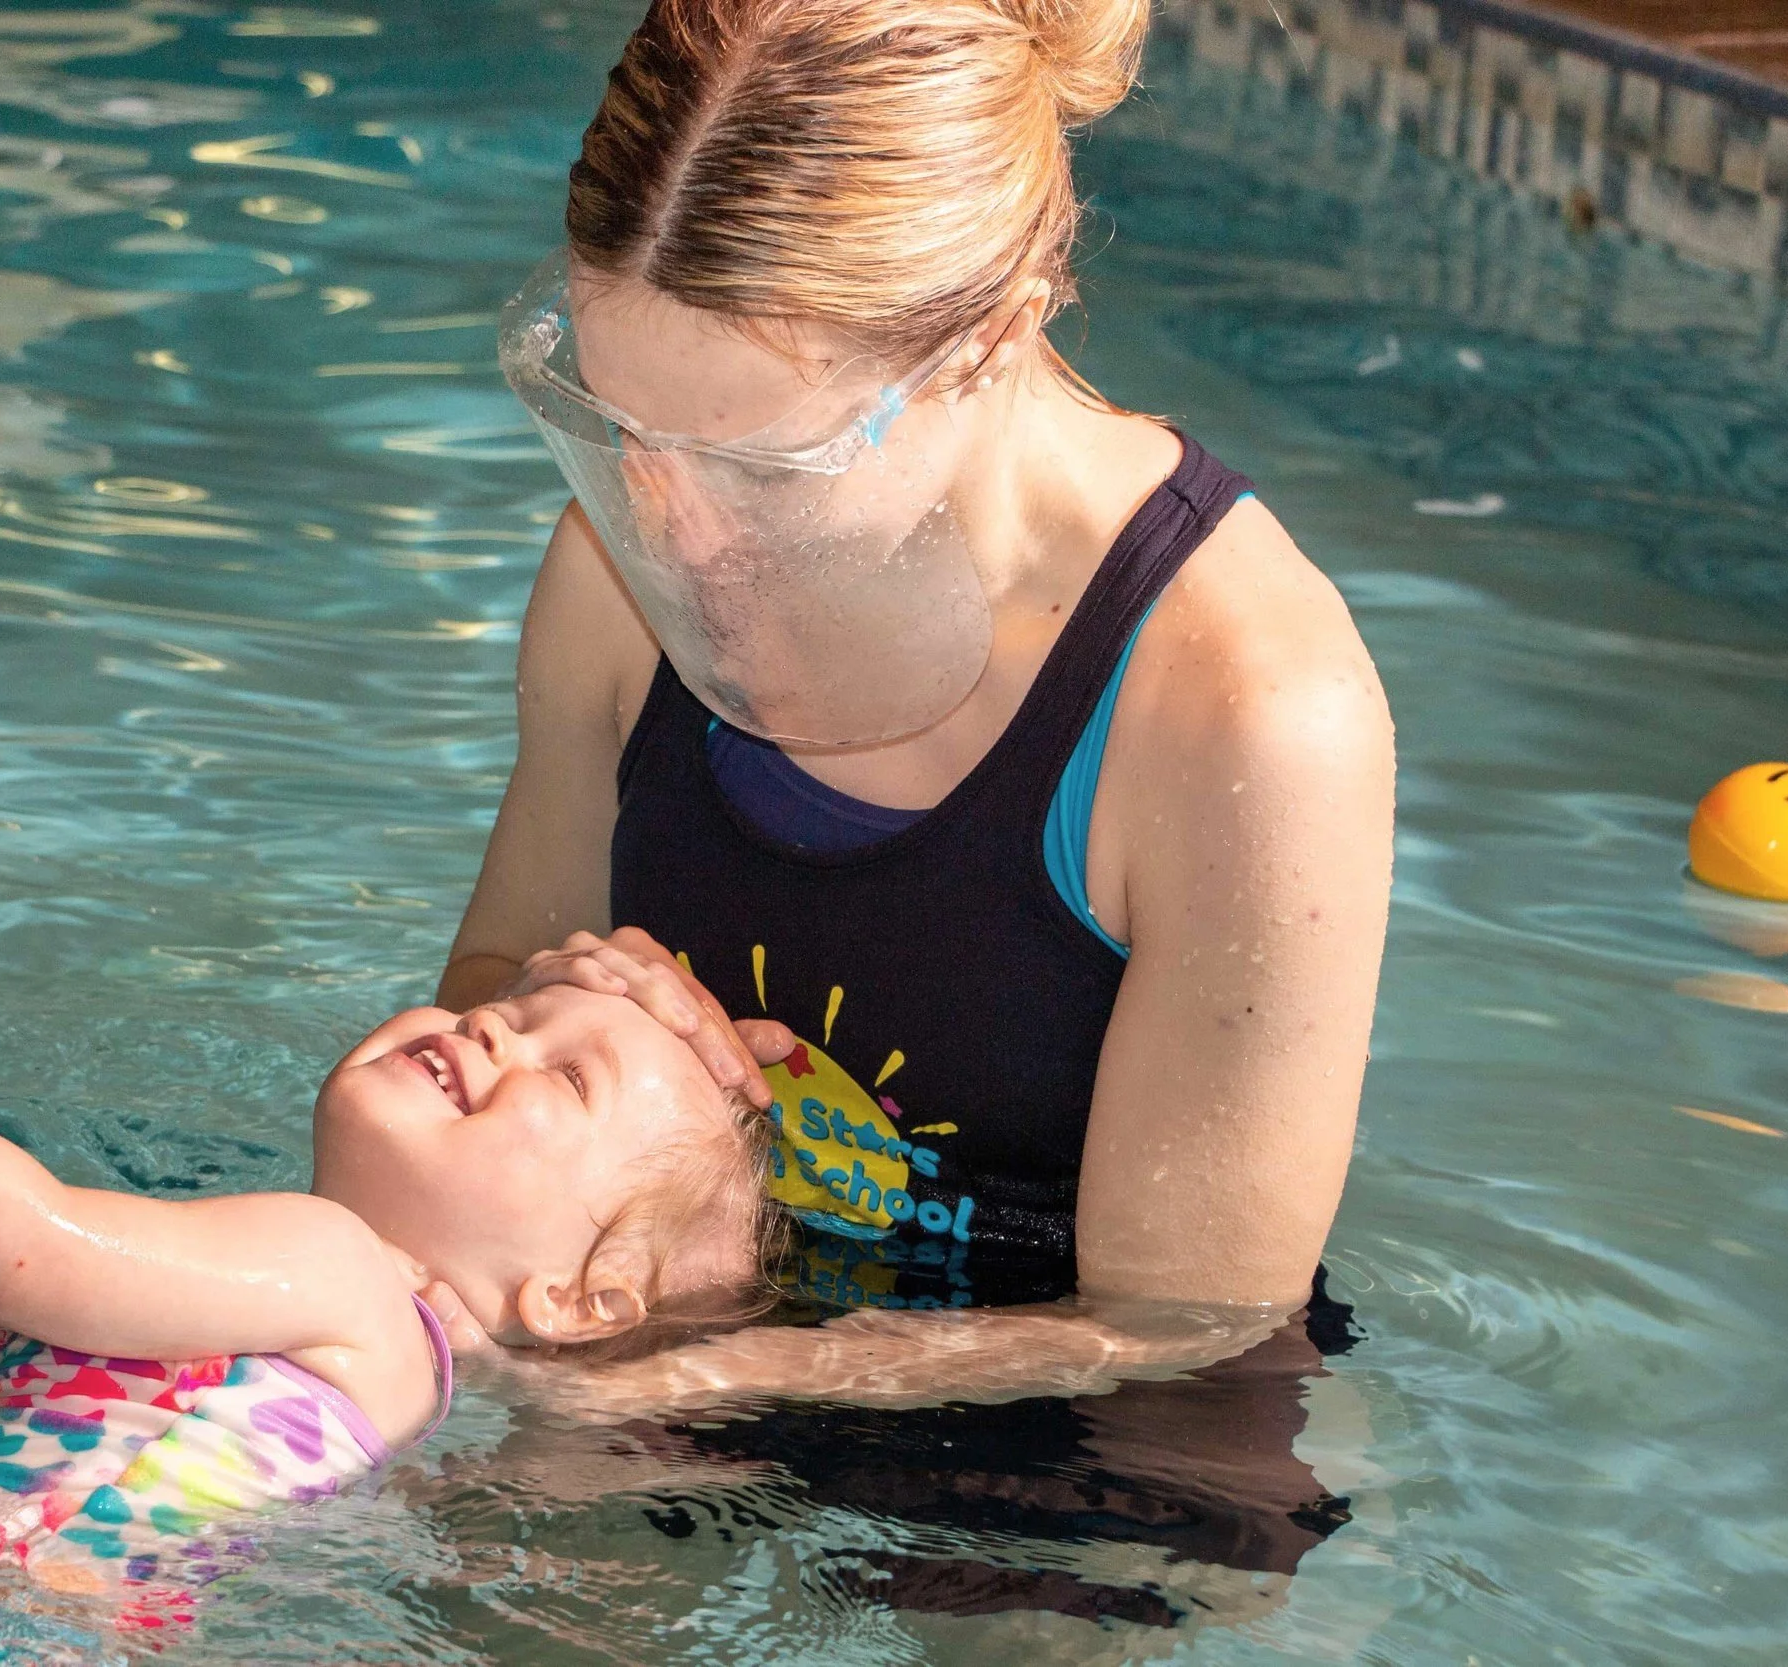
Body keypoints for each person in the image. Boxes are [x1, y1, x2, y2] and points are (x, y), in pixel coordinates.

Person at [441, 0, 1394, 1352]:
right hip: (650, 1350)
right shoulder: (613, 574)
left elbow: (1187, 1329)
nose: (672, 527)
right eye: (615, 426)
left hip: (1071, 1444)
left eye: (761, 467)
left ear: (992, 337)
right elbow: (484, 980)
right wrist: (555, 1007)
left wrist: (705, 1382)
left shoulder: (1244, 710)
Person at [0, 898, 780, 1601]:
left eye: (567, 1076)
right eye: (521, 1010)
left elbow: (20, 1242)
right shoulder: (350, 1348)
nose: (489, 1021)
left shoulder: (331, 1264)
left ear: (574, 1297)